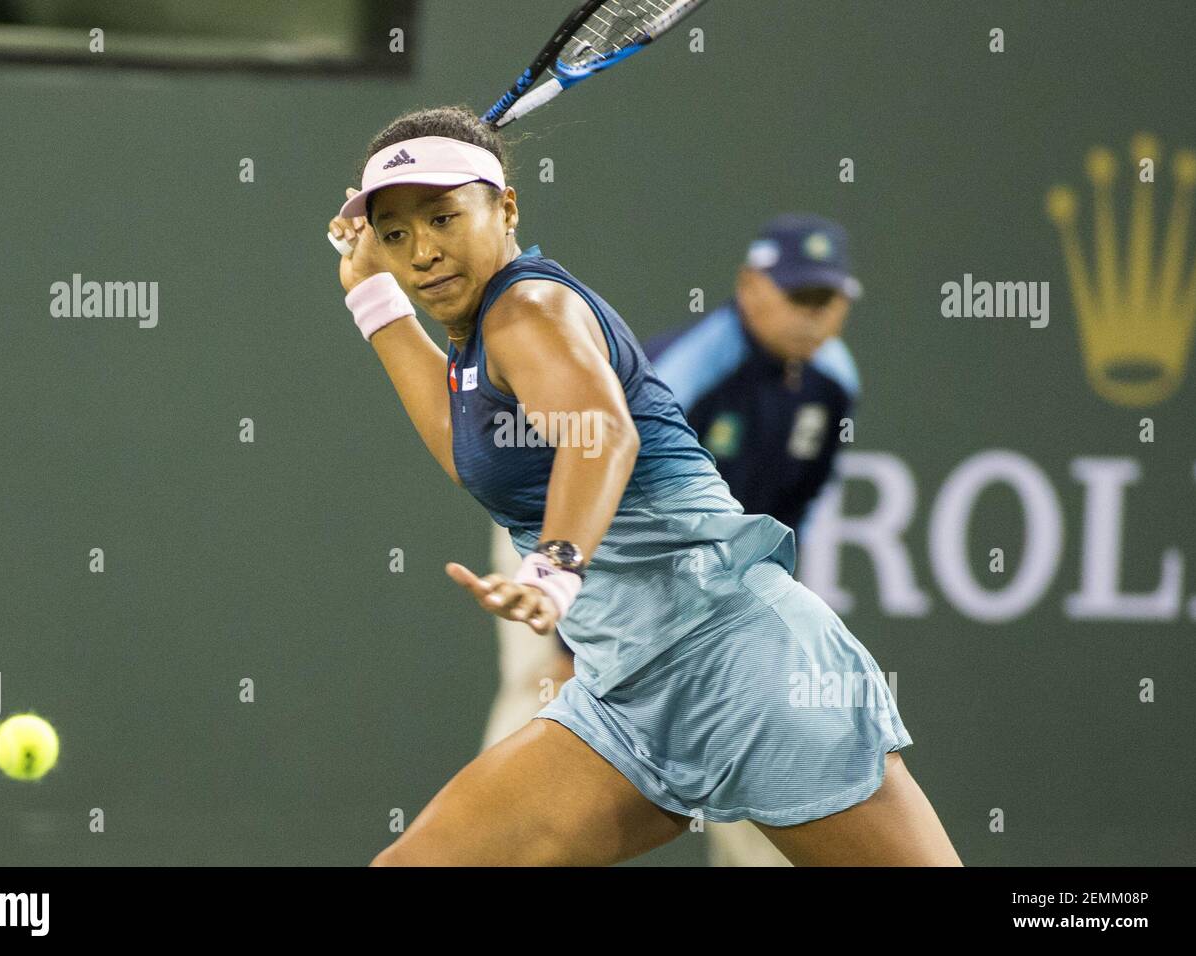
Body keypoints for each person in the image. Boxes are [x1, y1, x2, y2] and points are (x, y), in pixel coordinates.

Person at [330, 105, 961, 866]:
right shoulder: (477, 337)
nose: (423, 251)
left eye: (443, 217)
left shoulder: (528, 310)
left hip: (742, 669)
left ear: (507, 208)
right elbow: (466, 449)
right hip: (628, 697)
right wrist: (371, 294)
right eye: (396, 234)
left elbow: (602, 435)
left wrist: (554, 567)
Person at [482, 215, 865, 866]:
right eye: (795, 295)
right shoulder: (693, 365)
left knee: (750, 708)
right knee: (553, 696)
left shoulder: (834, 383)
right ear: (750, 288)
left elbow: (801, 505)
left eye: (823, 300)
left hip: (696, 568)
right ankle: (493, 848)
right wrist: (579, 631)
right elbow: (602, 475)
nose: (809, 316)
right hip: (561, 526)